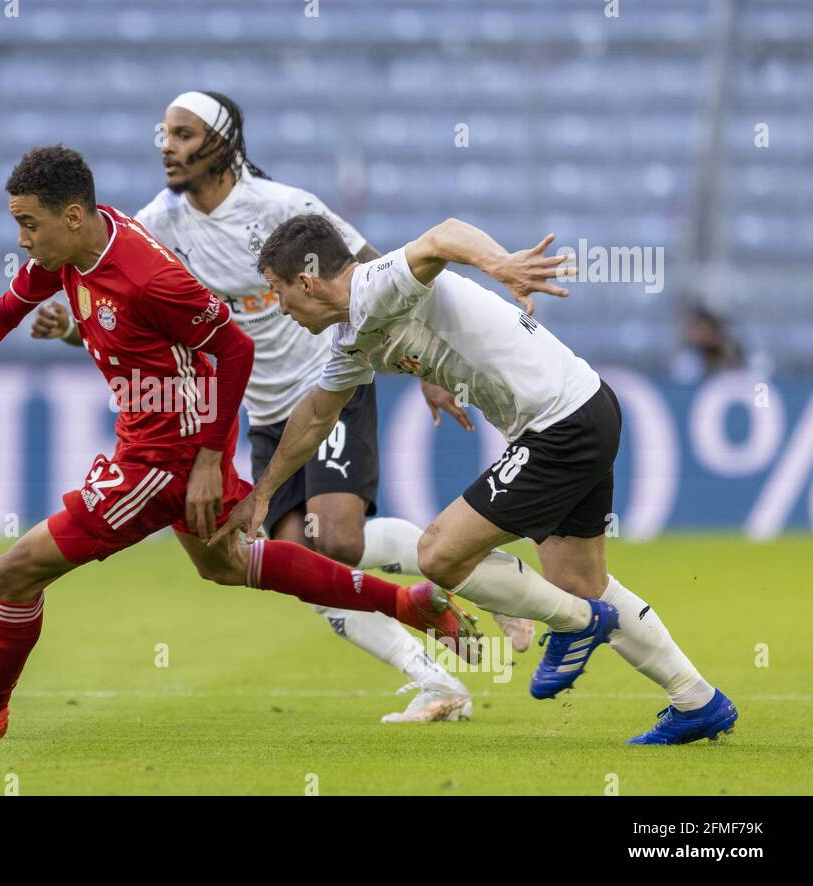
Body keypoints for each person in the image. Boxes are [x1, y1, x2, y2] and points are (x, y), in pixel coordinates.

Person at [0, 145, 473, 739]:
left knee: (13, 571)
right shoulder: (73, 251)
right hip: (160, 444)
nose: (21, 239)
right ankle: (407, 604)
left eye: (28, 223)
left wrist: (210, 460)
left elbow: (235, 348)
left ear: (71, 217)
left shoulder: (145, 276)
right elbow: (6, 312)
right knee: (227, 561)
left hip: (161, 459)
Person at [29, 91, 521, 724]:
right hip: (263, 412)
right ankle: (434, 678)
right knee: (302, 565)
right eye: (164, 135)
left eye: (183, 134)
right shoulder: (159, 224)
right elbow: (123, 304)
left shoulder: (286, 208)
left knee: (334, 541)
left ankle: (468, 562)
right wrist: (72, 327)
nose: (167, 147)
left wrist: (428, 364)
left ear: (224, 142)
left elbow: (380, 270)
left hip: (329, 386)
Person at [214, 213, 738, 745]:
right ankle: (696, 700)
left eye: (278, 292)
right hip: (583, 406)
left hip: (560, 423)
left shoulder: (374, 286)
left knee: (440, 554)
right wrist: (263, 494)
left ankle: (580, 622)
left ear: (307, 282)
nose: (278, 308)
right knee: (580, 582)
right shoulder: (352, 339)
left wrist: (502, 264)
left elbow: (443, 235)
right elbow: (316, 416)